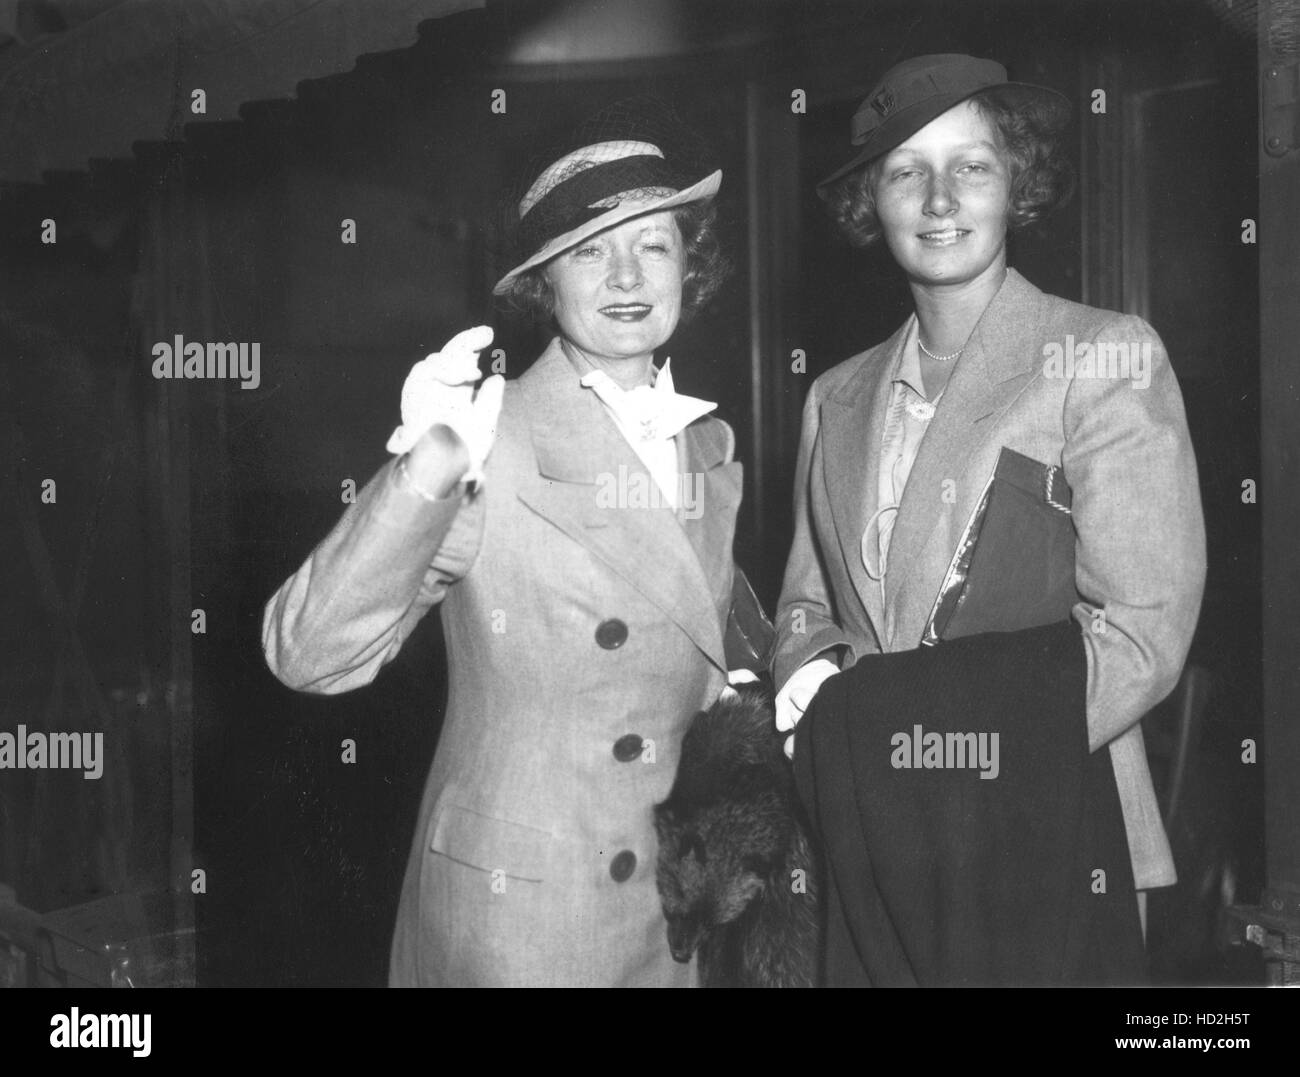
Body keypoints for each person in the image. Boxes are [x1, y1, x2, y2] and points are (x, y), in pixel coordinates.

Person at [262, 101, 745, 986]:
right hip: (519, 920)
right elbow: (309, 652)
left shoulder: (709, 451)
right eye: (589, 251)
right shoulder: (494, 434)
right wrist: (429, 462)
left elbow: (704, 662)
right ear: (545, 284)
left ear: (690, 264)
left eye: (655, 244)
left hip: (666, 921)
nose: (626, 274)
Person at [772, 54, 1206, 977]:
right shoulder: (833, 396)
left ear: (1018, 180)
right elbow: (805, 613)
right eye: (904, 171)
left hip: (1044, 825)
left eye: (971, 164)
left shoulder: (1102, 355)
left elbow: (1144, 633)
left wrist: (923, 759)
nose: (938, 199)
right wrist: (811, 690)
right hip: (866, 843)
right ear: (870, 202)